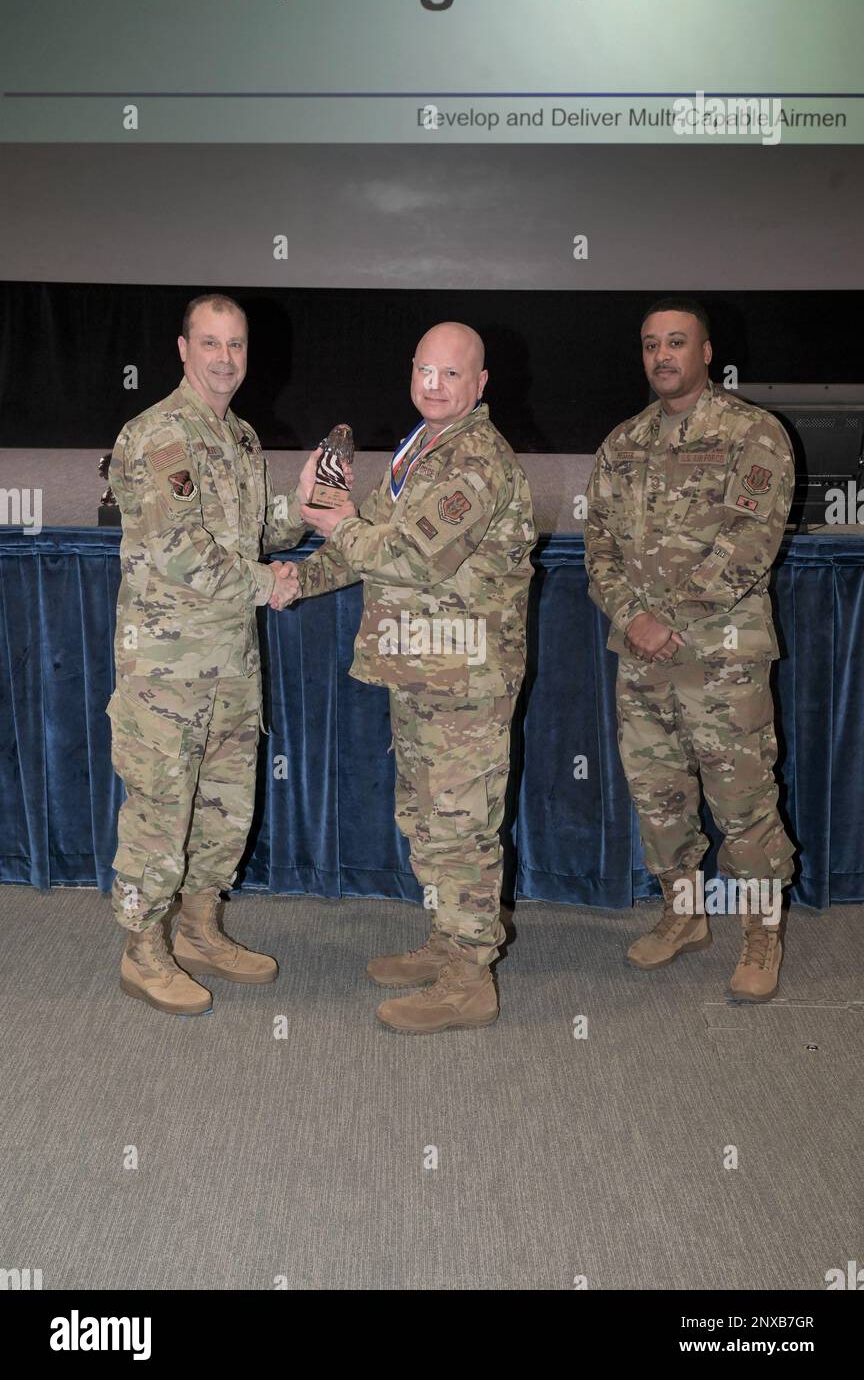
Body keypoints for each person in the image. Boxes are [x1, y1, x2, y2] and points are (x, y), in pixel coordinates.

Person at [295, 322, 537, 1033]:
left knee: (461, 827)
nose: (434, 384)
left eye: (452, 374)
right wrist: (294, 579)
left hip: (464, 678)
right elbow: (365, 537)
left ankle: (470, 978)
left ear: (480, 384)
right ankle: (447, 942)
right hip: (423, 669)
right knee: (429, 820)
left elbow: (409, 558)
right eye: (425, 370)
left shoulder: (477, 463)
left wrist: (335, 522)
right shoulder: (425, 448)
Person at [108, 292, 316, 1015]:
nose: (226, 358)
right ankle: (142, 950)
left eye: (237, 345)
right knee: (159, 813)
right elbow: (181, 552)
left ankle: (199, 929)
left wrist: (304, 504)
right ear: (183, 349)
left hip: (231, 669)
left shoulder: (243, 438)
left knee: (225, 811)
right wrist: (269, 585)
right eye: (212, 343)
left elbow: (253, 534)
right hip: (168, 671)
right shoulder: (159, 435)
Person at [585, 298, 797, 1000]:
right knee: (659, 795)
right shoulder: (623, 443)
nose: (662, 356)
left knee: (742, 799)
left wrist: (665, 618)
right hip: (643, 660)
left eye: (677, 342)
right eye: (651, 345)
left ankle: (762, 932)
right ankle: (684, 914)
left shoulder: (752, 433)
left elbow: (750, 543)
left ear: (707, 352)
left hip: (722, 657)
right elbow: (600, 549)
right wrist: (633, 618)